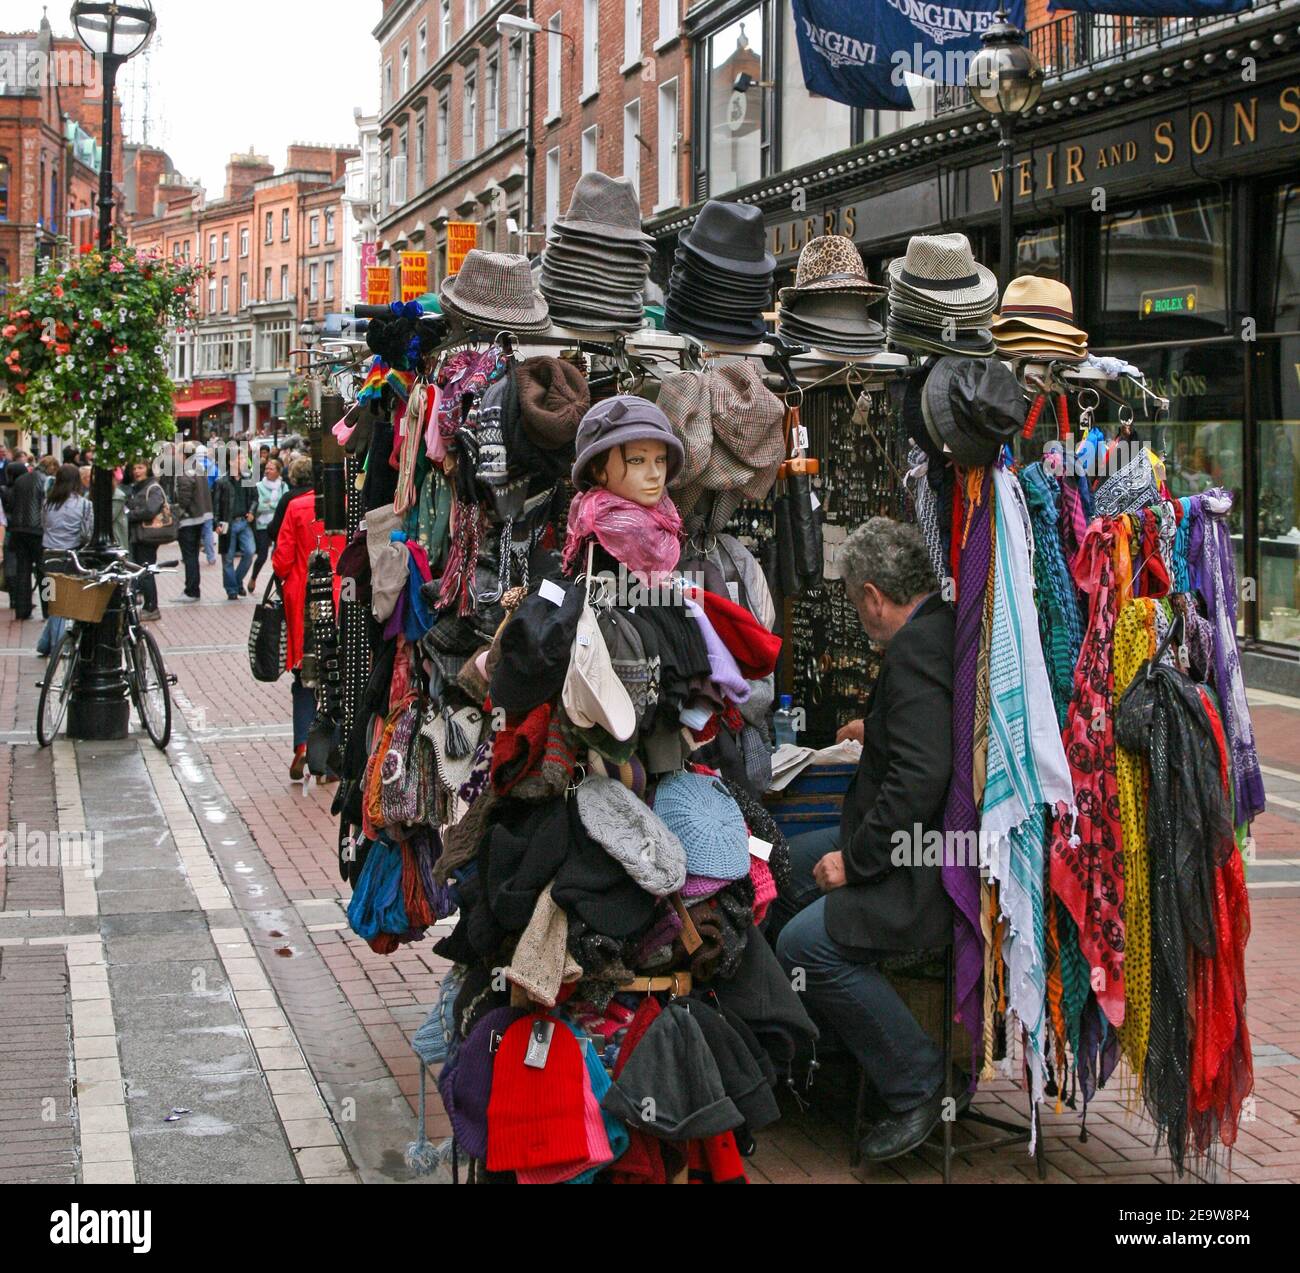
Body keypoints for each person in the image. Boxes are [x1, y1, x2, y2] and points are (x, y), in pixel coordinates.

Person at [771, 517, 955, 1166]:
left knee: (805, 943)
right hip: (920, 846)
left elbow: (922, 776)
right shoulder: (936, 631)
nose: (858, 614)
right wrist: (874, 729)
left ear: (874, 595)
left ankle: (915, 1079)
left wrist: (855, 862)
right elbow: (926, 745)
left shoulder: (912, 651)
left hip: (924, 867)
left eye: (855, 601)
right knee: (781, 867)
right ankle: (819, 1046)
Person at [271, 457, 342, 781]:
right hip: (341, 597)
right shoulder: (348, 505)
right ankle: (328, 760)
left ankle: (302, 745)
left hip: (304, 600)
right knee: (338, 678)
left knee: (303, 679)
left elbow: (282, 561)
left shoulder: (297, 506)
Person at [35, 464, 94, 657]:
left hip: (48, 555)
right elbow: (87, 533)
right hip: (71, 556)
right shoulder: (84, 504)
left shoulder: (47, 503)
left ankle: (45, 643)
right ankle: (56, 645)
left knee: (52, 599)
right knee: (63, 602)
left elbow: (43, 525)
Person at [123, 461, 166, 622]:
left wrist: (130, 515)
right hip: (138, 535)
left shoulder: (152, 487)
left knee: (146, 570)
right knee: (141, 569)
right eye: (134, 468)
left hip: (147, 535)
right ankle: (147, 604)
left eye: (140, 467)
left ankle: (151, 607)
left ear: (147, 469)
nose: (136, 471)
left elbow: (150, 510)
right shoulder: (137, 487)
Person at [7, 458, 48, 621]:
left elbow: (12, 504)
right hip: (37, 531)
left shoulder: (20, 481)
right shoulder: (44, 481)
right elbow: (45, 506)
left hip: (19, 529)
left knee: (22, 571)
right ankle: (48, 608)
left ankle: (22, 609)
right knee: (45, 571)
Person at [214, 448, 256, 601]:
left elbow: (254, 498)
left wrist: (252, 511)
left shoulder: (248, 479)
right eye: (240, 458)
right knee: (228, 558)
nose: (243, 461)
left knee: (250, 552)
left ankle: (236, 582)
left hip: (244, 521)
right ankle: (232, 589)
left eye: (244, 458)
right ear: (231, 462)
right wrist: (216, 523)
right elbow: (216, 504)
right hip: (228, 523)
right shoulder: (222, 482)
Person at [173, 446, 213, 602]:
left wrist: (178, 512)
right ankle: (193, 588)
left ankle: (191, 590)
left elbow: (184, 497)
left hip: (189, 519)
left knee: (189, 555)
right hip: (200, 517)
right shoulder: (199, 468)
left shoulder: (185, 472)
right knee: (193, 555)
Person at [248, 457, 284, 594]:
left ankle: (278, 584)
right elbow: (259, 505)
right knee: (262, 556)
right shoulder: (259, 486)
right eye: (267, 468)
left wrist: (271, 505)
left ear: (278, 472)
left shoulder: (282, 486)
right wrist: (273, 506)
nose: (268, 471)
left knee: (278, 555)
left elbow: (283, 503)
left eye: (271, 468)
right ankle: (253, 578)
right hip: (263, 525)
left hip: (279, 525)